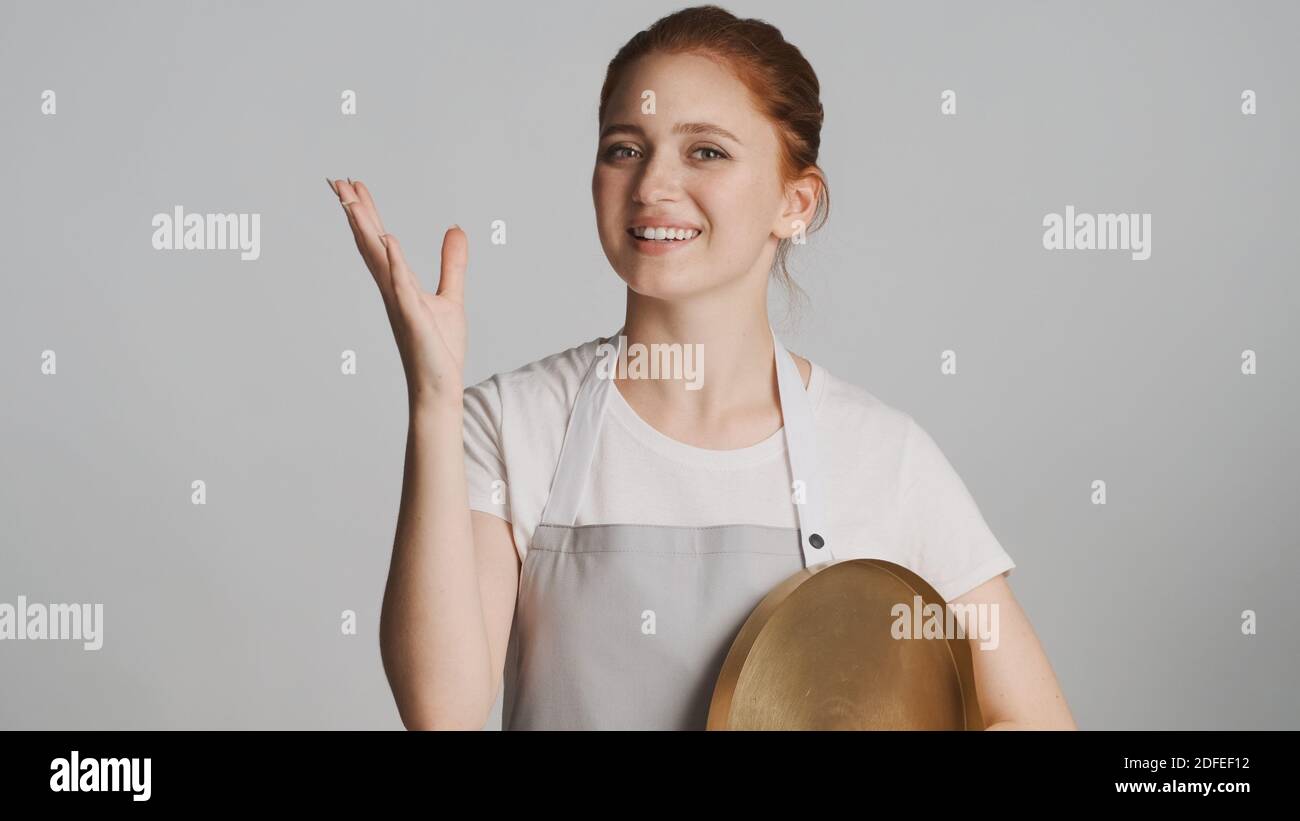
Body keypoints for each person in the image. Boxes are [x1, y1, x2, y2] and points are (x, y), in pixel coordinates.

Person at [328, 5, 1075, 731]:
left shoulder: (883, 456)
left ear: (796, 201)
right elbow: (442, 709)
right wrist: (433, 394)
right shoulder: (512, 424)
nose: (652, 184)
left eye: (706, 151)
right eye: (624, 147)